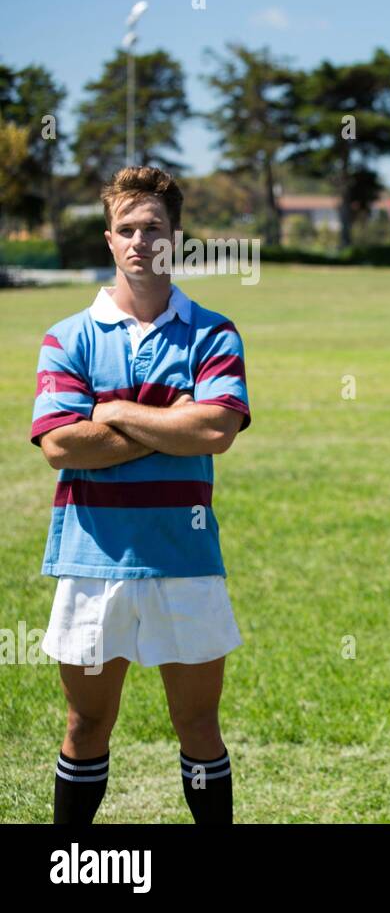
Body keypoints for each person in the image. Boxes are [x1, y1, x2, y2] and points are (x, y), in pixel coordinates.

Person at [31, 166, 251, 824]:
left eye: (152, 227)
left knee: (199, 728)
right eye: (126, 229)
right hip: (92, 560)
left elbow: (215, 429)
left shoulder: (213, 332)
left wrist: (112, 411)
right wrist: (163, 418)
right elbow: (60, 447)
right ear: (109, 239)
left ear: (176, 238)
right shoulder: (68, 336)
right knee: (85, 724)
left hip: (184, 559)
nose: (138, 240)